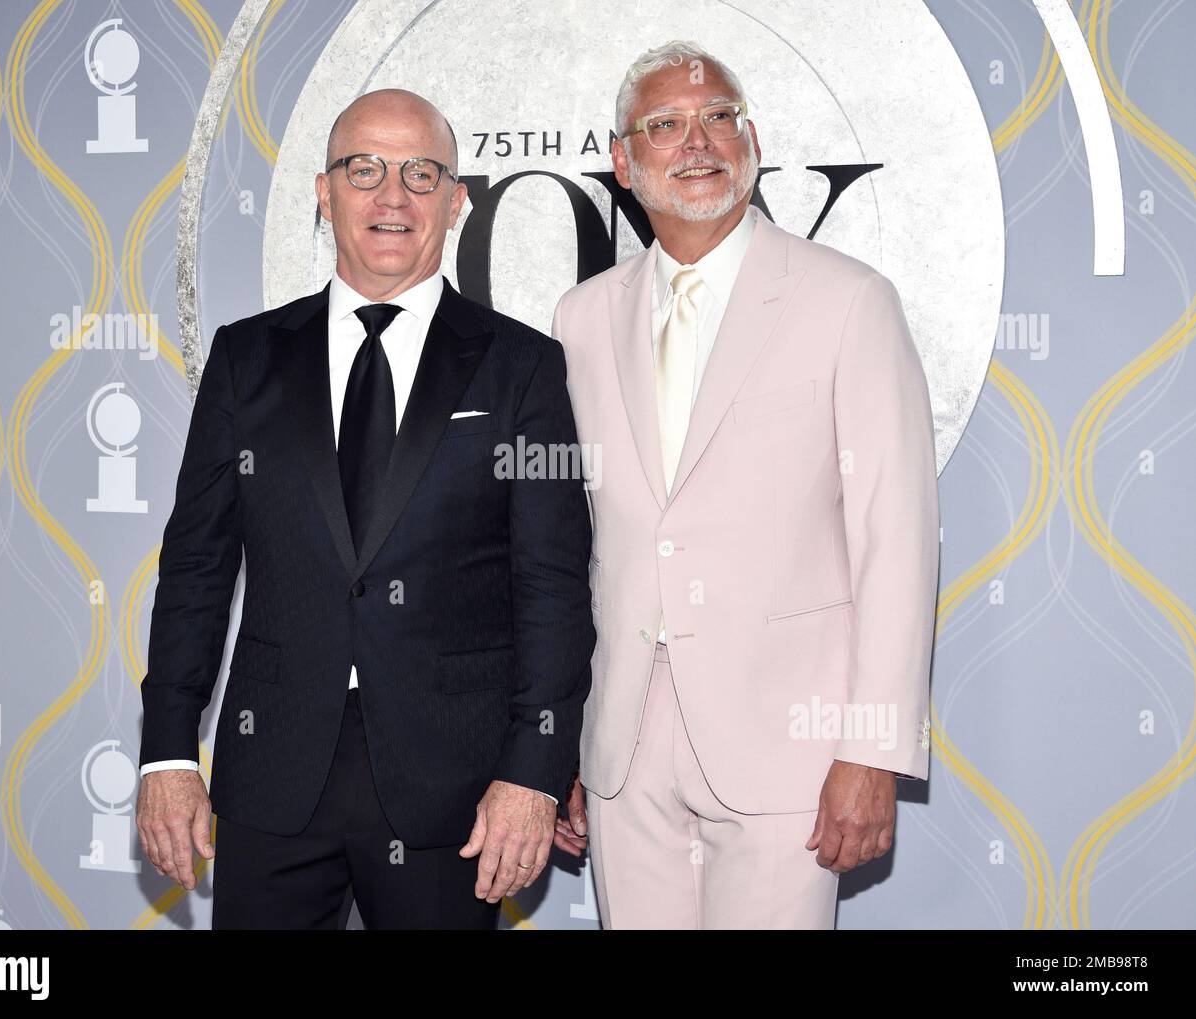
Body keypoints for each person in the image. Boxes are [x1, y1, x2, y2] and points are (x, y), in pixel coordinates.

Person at [136, 88, 594, 929]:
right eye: (364, 169)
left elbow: (555, 588)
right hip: (271, 769)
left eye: (421, 173)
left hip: (454, 788)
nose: (392, 197)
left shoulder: (523, 367)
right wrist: (166, 749)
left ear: (458, 201)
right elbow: (198, 566)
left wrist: (534, 769)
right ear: (324, 191)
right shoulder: (247, 358)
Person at [551, 41, 941, 928]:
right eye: (666, 125)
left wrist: (871, 749)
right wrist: (559, 741)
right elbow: (566, 545)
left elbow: (898, 538)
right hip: (619, 749)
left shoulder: (848, 300)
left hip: (791, 749)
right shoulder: (580, 318)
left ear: (752, 139)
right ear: (622, 161)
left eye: (719, 117)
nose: (698, 142)